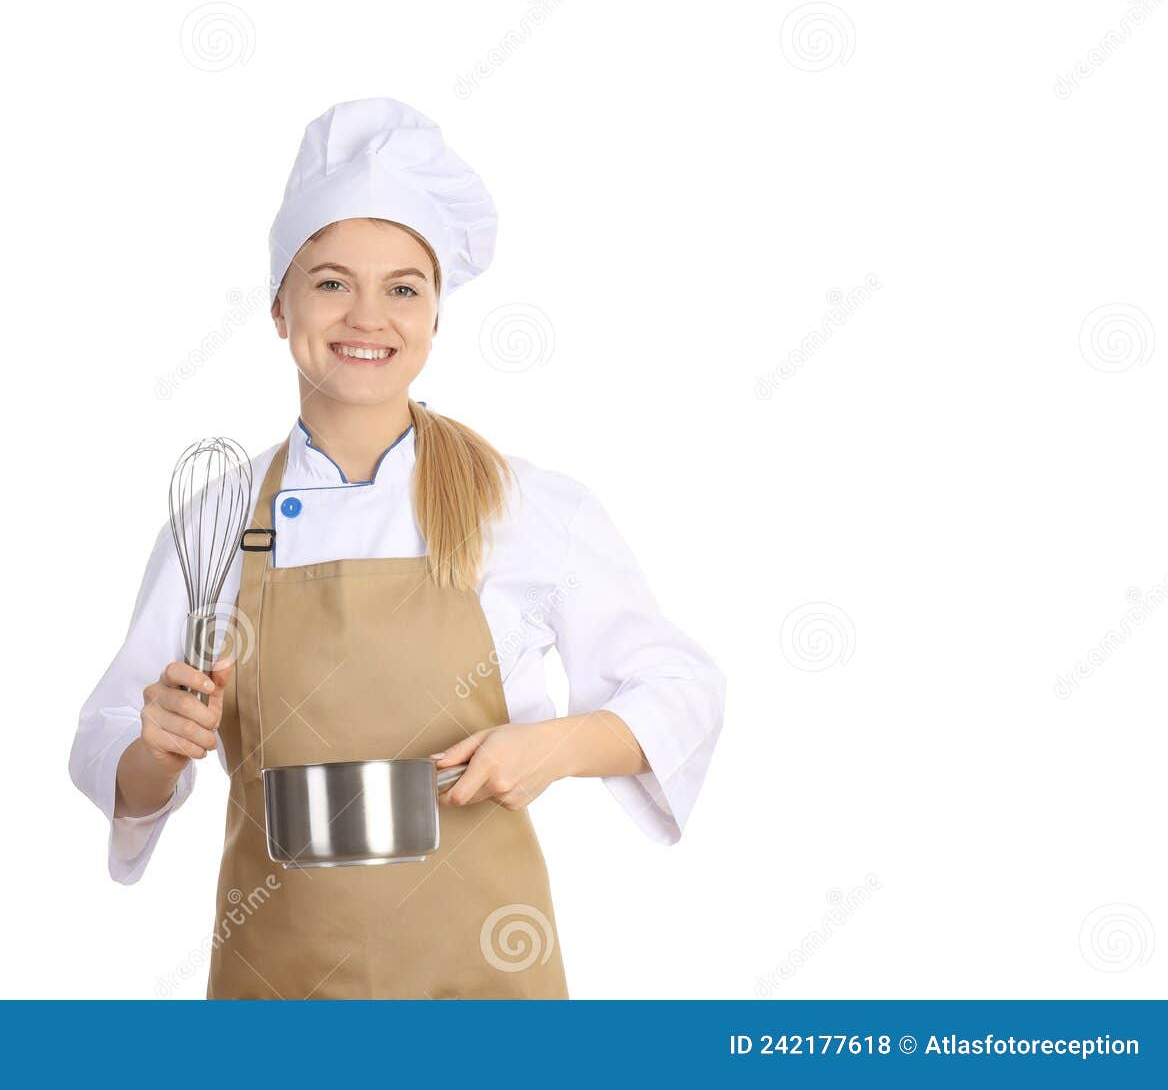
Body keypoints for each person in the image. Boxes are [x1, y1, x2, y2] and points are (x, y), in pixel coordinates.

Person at [68, 97, 726, 998]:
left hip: (485, 988)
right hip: (279, 986)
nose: (365, 316)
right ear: (277, 306)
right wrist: (161, 746)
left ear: (436, 314)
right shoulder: (216, 521)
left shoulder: (523, 504)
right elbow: (117, 758)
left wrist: (555, 747)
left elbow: (681, 688)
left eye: (402, 287)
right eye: (331, 281)